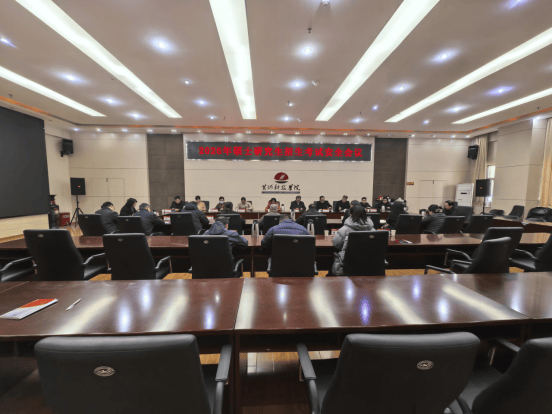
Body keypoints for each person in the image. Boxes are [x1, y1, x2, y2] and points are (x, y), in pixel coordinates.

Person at [332, 206, 374, 276]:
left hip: (348, 263)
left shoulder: (345, 229)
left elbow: (336, 244)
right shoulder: (373, 231)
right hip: (369, 263)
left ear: (350, 215)